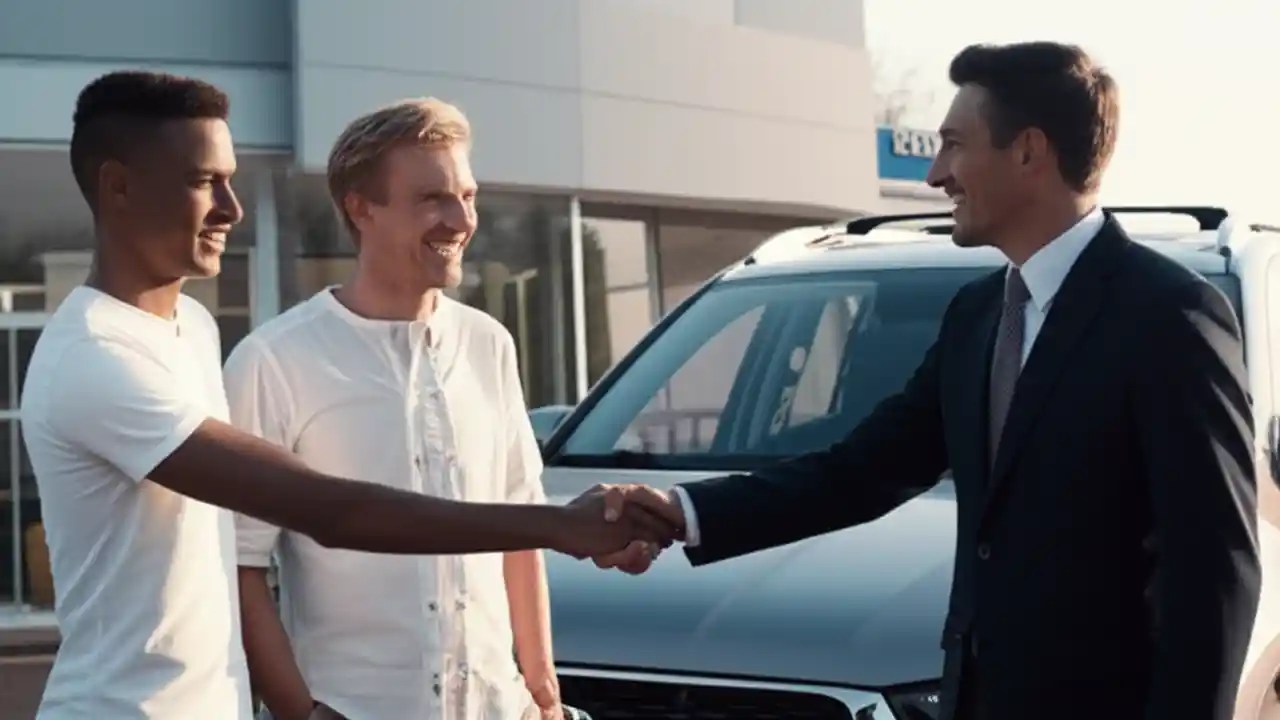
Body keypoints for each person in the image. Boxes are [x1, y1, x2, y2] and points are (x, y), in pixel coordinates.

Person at [592, 41, 1262, 720]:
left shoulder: (1169, 315)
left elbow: (1214, 572)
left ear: (1028, 152)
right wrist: (682, 512)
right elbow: (859, 471)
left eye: (953, 145)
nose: (937, 174)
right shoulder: (978, 316)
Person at [19, 71, 670, 720]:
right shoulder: (93, 357)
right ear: (119, 187)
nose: (232, 208)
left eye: (230, 180)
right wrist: (561, 526)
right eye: (202, 181)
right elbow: (329, 510)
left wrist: (540, 691)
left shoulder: (189, 327)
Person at [226, 98, 566, 720]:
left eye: (467, 196)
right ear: (361, 208)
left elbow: (522, 525)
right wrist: (299, 713)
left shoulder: (490, 343)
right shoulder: (274, 360)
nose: (460, 220)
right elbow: (240, 563)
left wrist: (542, 692)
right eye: (433, 198)